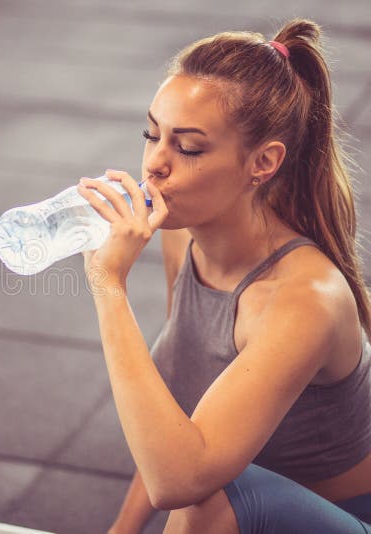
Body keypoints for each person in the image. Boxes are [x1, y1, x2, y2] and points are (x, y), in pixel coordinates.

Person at [76, 19, 371, 533]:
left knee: (202, 502)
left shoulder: (305, 298)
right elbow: (176, 411)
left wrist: (108, 288)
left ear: (263, 163)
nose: (155, 164)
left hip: (344, 517)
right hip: (244, 492)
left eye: (188, 147)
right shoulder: (182, 232)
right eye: (152, 135)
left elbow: (179, 481)